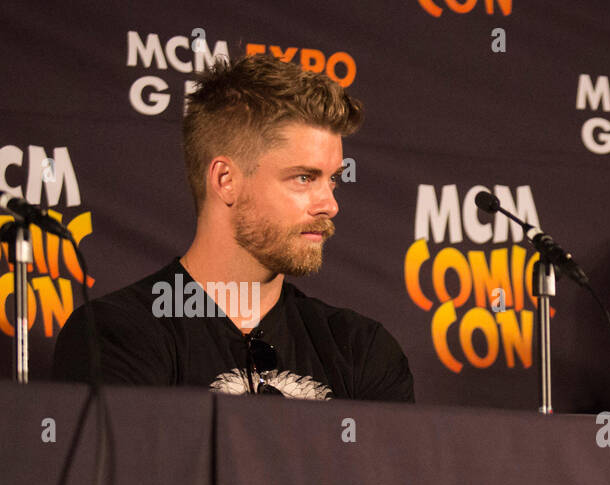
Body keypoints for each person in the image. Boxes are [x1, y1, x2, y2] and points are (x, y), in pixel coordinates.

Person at [52, 54, 414, 401]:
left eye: (333, 179)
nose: (330, 205)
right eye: (304, 177)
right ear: (226, 180)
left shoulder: (361, 349)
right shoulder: (116, 335)